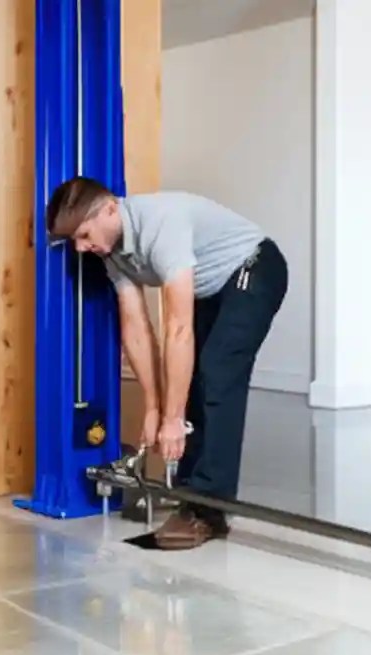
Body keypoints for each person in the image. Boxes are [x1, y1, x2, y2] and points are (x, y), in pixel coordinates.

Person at [44, 177, 288, 550]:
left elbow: (177, 328)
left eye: (84, 234)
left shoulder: (160, 223)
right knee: (192, 380)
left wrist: (174, 420)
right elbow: (137, 330)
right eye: (75, 241)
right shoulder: (111, 252)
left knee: (218, 372)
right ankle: (193, 494)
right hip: (214, 285)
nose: (81, 248)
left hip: (254, 267)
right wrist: (155, 409)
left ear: (110, 208)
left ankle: (208, 508)